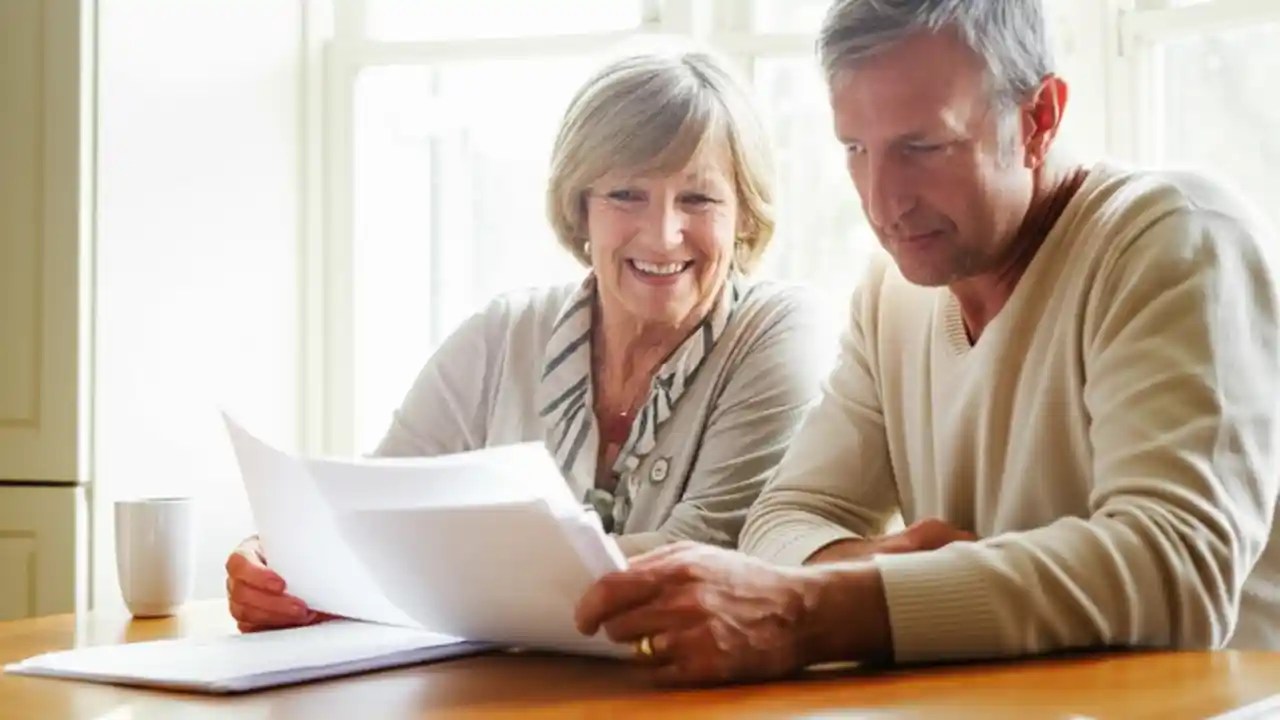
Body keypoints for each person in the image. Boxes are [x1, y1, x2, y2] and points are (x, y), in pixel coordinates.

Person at [574, 0, 1280, 685]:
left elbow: (1175, 569)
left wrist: (811, 608)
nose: (883, 203)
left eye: (924, 148)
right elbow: (783, 520)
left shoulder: (1175, 239)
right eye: (856, 149)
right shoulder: (894, 294)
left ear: (1039, 120)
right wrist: (885, 574)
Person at [224, 50, 828, 633]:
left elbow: (701, 555)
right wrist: (283, 562)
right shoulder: (501, 335)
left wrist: (406, 575)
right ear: (580, 207)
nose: (664, 234)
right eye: (626, 194)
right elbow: (367, 517)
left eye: (698, 198)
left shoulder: (778, 333)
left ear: (744, 216)